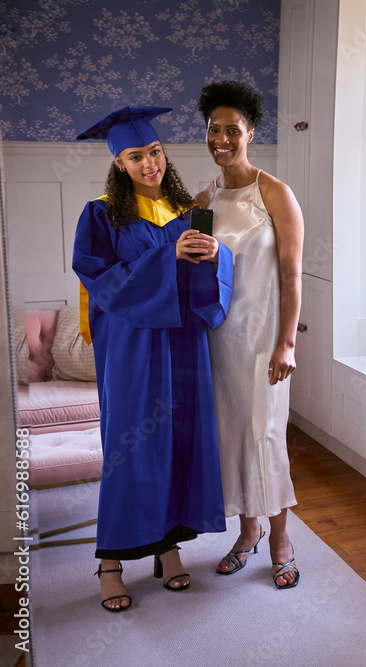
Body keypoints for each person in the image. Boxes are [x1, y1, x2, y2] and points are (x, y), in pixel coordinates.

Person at [72, 106, 234, 612]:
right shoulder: (101, 214)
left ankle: (168, 549)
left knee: (179, 441)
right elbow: (99, 279)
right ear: (119, 164)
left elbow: (210, 279)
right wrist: (168, 257)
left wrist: (216, 256)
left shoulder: (185, 211)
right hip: (134, 346)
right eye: (136, 156)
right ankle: (110, 562)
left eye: (156, 151)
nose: (150, 164)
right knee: (132, 446)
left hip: (183, 342)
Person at [195, 80, 304, 590]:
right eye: (213, 129)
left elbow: (292, 275)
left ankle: (281, 539)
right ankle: (248, 531)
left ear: (251, 132)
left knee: (265, 435)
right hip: (218, 340)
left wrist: (288, 343)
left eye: (232, 130)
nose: (222, 139)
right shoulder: (204, 199)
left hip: (264, 342)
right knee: (232, 436)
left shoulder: (274, 192)